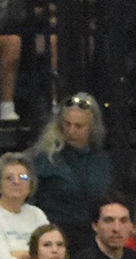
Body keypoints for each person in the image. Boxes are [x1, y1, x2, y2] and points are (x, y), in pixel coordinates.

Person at [28, 92, 114, 245]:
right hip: (57, 234)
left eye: (79, 126)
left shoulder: (102, 160)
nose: (71, 131)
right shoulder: (44, 159)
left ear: (92, 127)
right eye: (67, 124)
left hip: (93, 234)